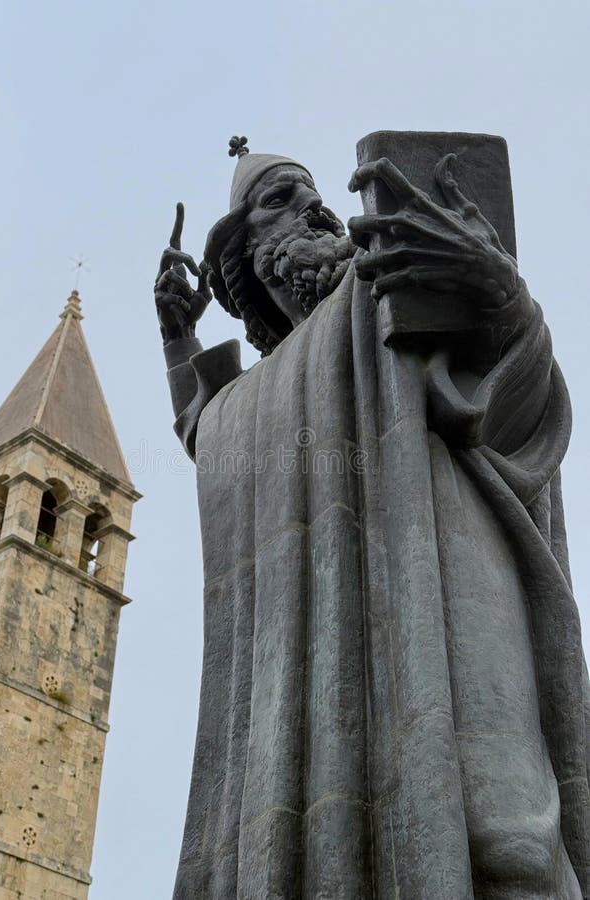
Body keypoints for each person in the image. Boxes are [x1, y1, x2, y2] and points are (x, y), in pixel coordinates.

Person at [154, 135, 589, 899]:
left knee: (505, 832)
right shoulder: (252, 402)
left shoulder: (396, 282)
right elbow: (208, 433)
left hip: (449, 568)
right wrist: (178, 340)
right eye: (279, 199)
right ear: (249, 259)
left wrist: (500, 294)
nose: (315, 205)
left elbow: (510, 382)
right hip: (317, 647)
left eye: (311, 190)